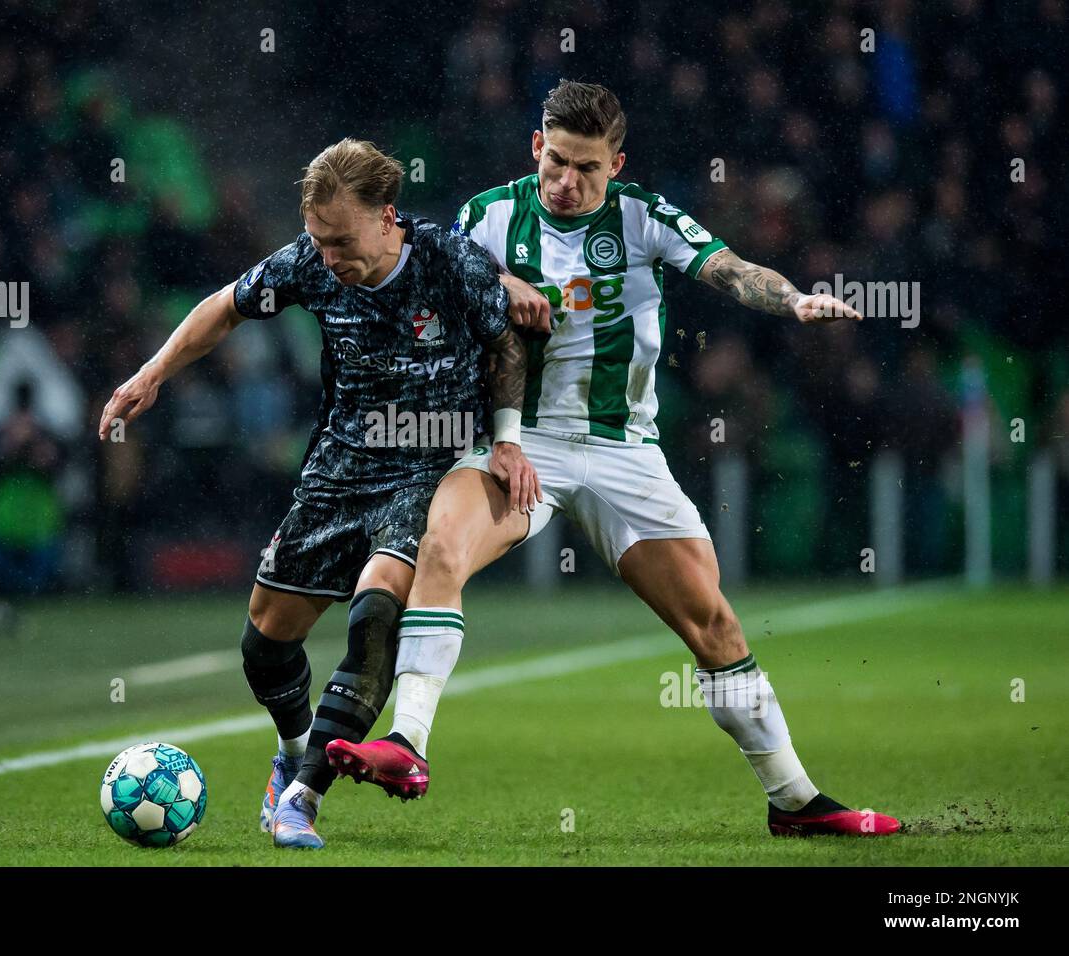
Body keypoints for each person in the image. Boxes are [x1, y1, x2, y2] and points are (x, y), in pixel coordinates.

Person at [327, 82, 901, 837]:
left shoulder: (645, 217)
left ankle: (793, 799)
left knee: (714, 626)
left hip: (623, 450)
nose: (567, 183)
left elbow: (729, 269)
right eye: (556, 162)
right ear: (537, 146)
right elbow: (446, 285)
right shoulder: (489, 216)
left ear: (616, 165)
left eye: (586, 170)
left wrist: (792, 301)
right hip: (518, 439)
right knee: (443, 543)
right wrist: (498, 285)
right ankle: (408, 742)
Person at [98, 138, 537, 848]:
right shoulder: (310, 262)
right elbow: (226, 306)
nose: (328, 256)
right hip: (339, 467)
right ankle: (297, 749)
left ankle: (303, 796)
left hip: (427, 466)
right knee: (264, 644)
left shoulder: (446, 259)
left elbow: (506, 342)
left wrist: (508, 437)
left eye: (341, 240)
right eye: (318, 240)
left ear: (388, 215)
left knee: (375, 611)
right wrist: (151, 373)